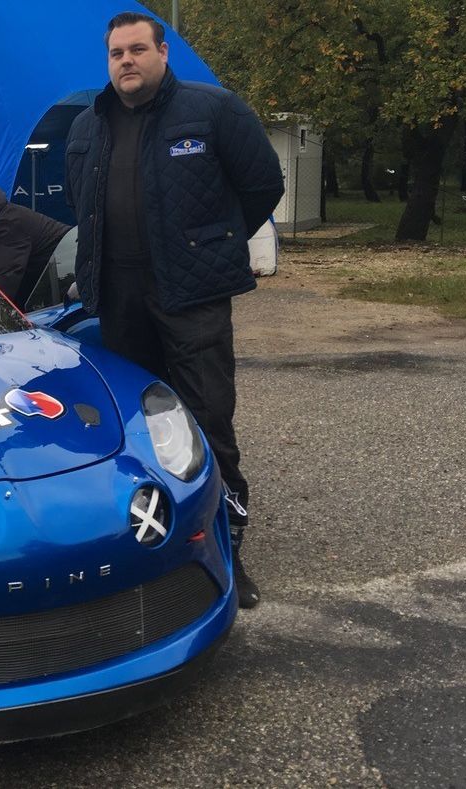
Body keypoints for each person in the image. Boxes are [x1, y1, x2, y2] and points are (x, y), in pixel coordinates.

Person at [64, 12, 284, 608]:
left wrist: (211, 245)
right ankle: (145, 547)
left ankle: (228, 550)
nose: (126, 61)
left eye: (138, 49)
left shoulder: (213, 111)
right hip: (119, 301)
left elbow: (263, 183)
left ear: (164, 52)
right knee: (132, 429)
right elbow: (80, 203)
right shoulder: (88, 126)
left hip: (192, 298)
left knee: (209, 423)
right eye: (116, 53)